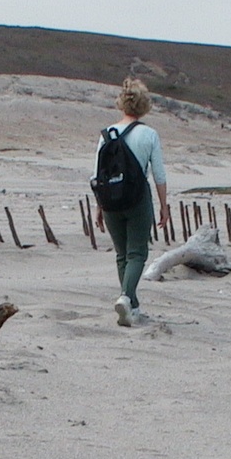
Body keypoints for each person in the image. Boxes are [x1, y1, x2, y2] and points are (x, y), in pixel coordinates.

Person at [93, 78, 168, 327]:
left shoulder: (106, 134)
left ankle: (131, 305)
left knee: (122, 254)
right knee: (137, 252)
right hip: (137, 198)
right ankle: (126, 298)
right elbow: (159, 175)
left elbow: (98, 174)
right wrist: (164, 205)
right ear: (144, 105)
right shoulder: (149, 134)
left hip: (110, 199)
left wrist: (99, 206)